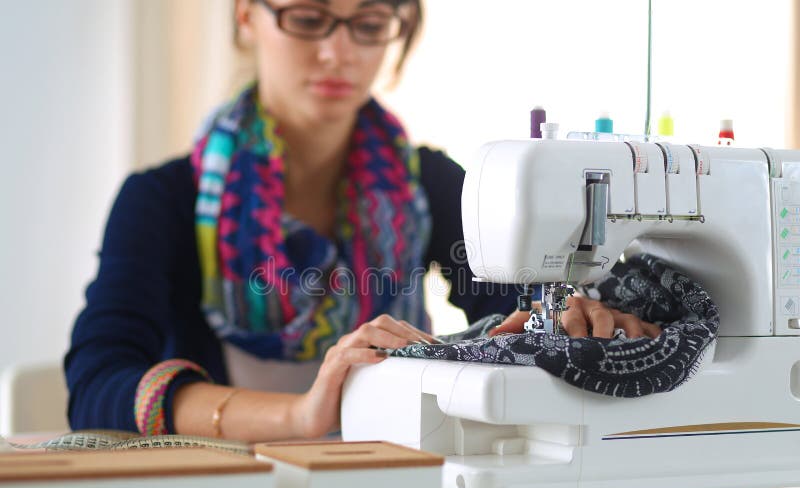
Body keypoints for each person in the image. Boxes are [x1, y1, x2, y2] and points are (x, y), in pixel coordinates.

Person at [64, 0, 658, 443]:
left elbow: (516, 313)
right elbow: (98, 383)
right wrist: (301, 416)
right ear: (246, 16)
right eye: (306, 16)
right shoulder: (161, 201)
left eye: (369, 24)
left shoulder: (429, 184)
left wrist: (550, 325)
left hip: (380, 479)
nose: (338, 53)